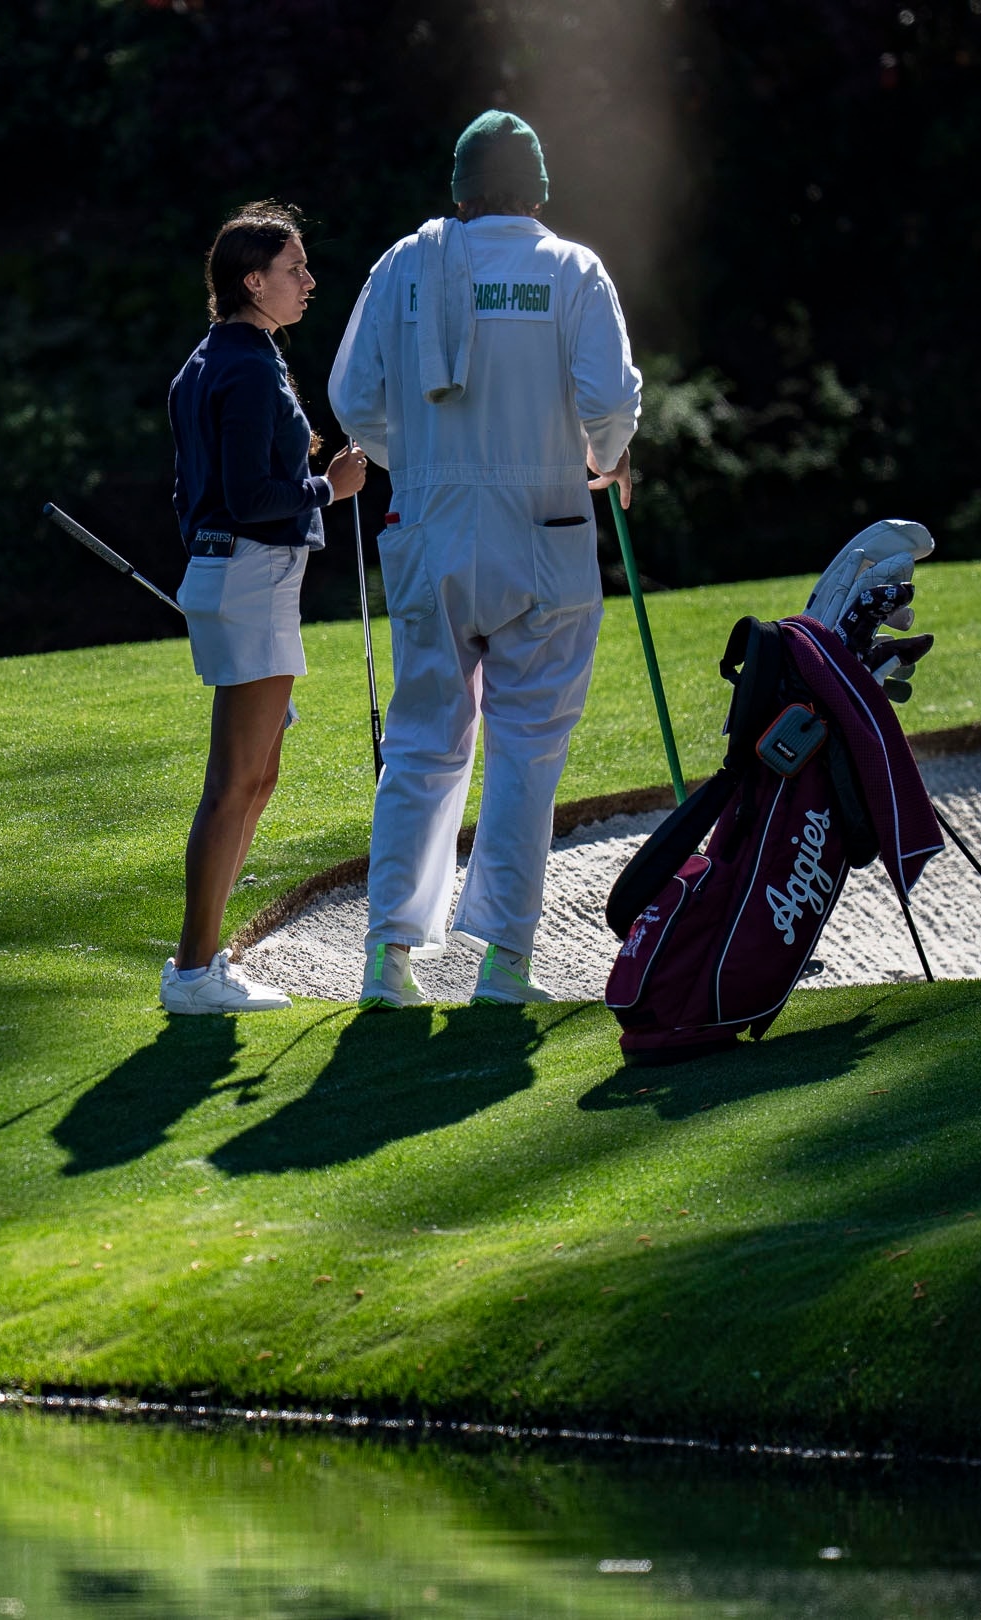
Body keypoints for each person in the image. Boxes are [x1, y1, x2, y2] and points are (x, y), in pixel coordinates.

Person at [326, 111, 642, 1008]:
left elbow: (354, 398)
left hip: (427, 526)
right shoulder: (570, 269)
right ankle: (505, 963)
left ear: (457, 190)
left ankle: (387, 956)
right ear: (537, 188)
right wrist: (608, 455)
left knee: (424, 742)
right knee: (527, 748)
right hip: (541, 527)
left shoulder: (402, 266)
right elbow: (609, 396)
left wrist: (418, 460)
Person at [160, 201, 371, 1016]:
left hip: (239, 577)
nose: (309, 282)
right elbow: (250, 496)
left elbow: (194, 494)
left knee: (258, 775)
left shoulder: (217, 359)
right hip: (250, 576)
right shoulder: (247, 367)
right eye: (294, 270)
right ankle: (193, 972)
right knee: (235, 781)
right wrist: (332, 487)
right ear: (253, 281)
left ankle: (204, 964)